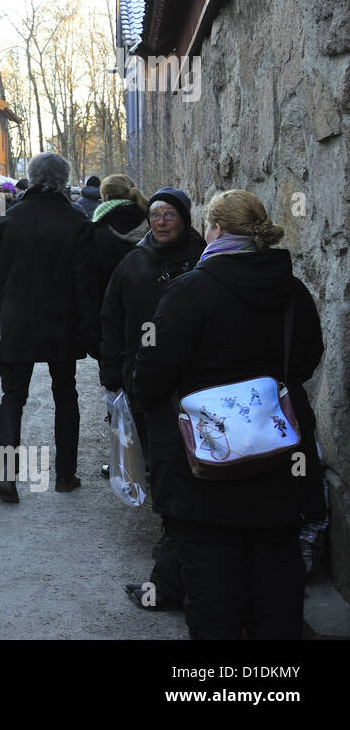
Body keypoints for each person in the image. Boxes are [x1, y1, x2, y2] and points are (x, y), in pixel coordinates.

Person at [133, 190, 323, 639]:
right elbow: (307, 357)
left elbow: (153, 371)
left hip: (208, 461)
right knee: (277, 572)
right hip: (279, 454)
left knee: (212, 579)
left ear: (215, 230)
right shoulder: (291, 290)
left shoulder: (190, 290)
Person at [101, 186, 205, 611]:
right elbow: (111, 318)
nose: (161, 222)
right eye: (156, 215)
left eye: (170, 215)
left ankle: (175, 570)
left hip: (194, 386)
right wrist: (113, 375)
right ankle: (173, 551)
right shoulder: (135, 262)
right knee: (162, 464)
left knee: (183, 471)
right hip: (144, 381)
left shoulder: (203, 260)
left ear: (185, 218)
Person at [0, 153, 98, 502]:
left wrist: (4, 309)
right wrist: (88, 328)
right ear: (65, 180)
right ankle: (65, 475)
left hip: (18, 319)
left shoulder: (9, 219)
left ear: (32, 178)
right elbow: (85, 281)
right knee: (65, 394)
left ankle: (6, 475)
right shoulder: (76, 220)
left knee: (12, 397)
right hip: (61, 321)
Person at [91, 174, 151, 307]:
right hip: (146, 304)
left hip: (108, 304)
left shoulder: (98, 230)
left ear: (105, 197)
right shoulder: (153, 222)